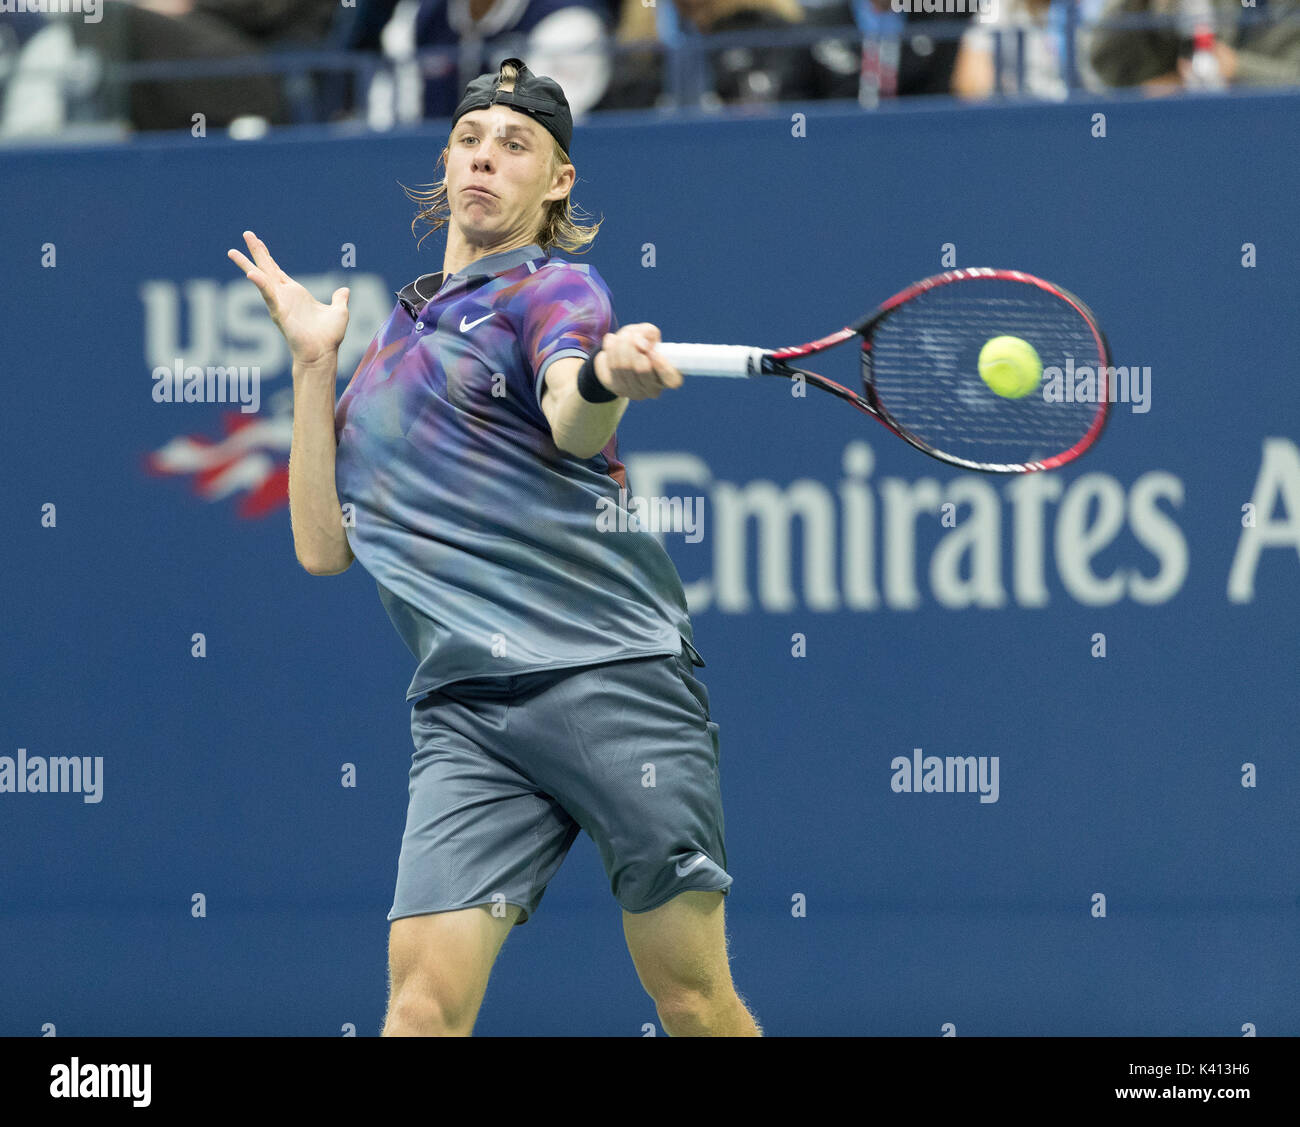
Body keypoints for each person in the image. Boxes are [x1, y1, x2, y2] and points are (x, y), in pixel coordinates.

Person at [227, 57, 761, 1037]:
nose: (485, 158)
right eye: (470, 139)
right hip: (467, 712)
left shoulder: (556, 289)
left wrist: (602, 376)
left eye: (515, 145)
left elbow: (571, 416)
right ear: (445, 159)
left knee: (689, 997)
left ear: (556, 181)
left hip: (611, 677)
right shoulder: (387, 348)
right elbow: (321, 549)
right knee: (421, 1008)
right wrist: (312, 364)